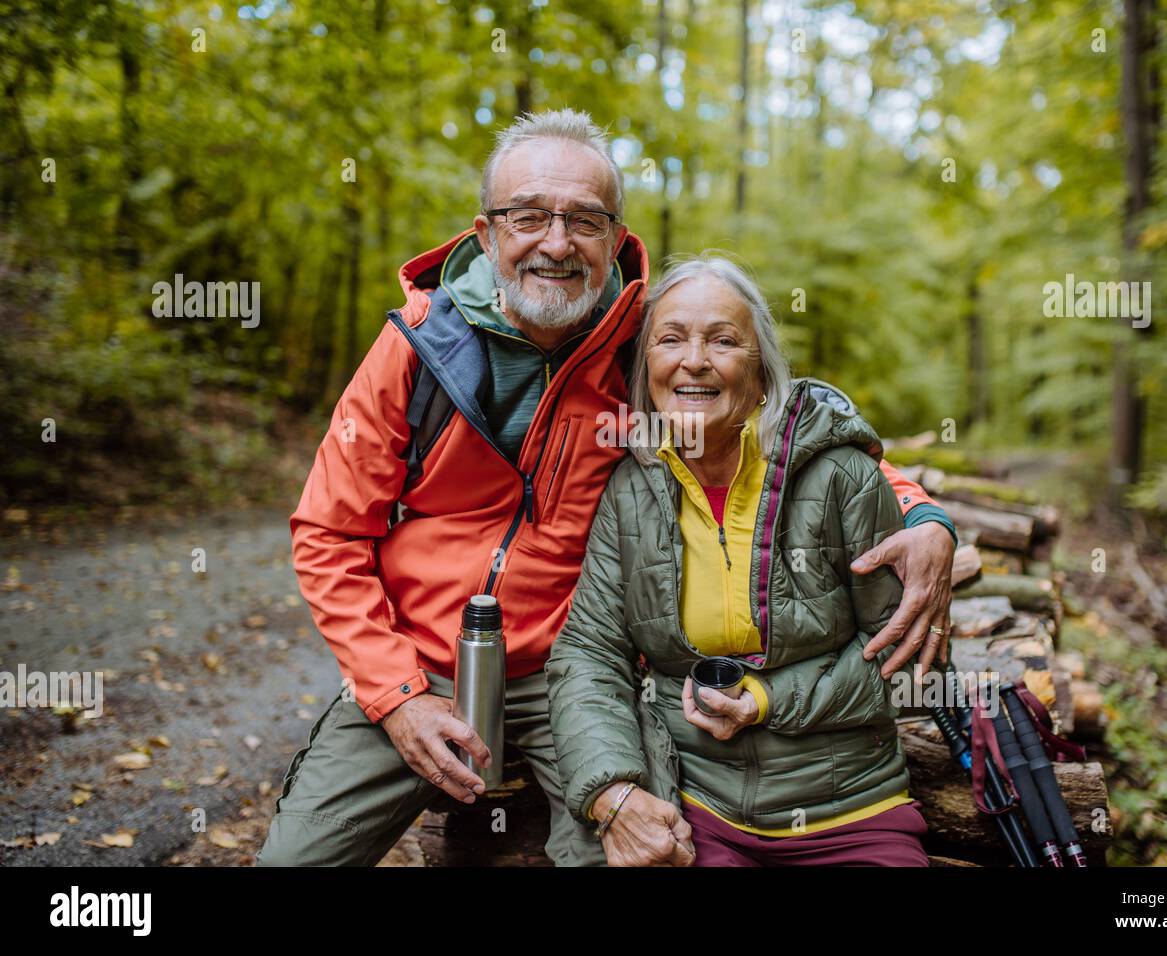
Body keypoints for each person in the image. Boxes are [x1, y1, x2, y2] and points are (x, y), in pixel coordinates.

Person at [257, 109, 955, 867]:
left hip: (577, 670)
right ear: (487, 235)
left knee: (633, 848)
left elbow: (784, 435)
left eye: (584, 221)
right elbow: (328, 531)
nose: (556, 243)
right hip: (416, 662)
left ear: (614, 239)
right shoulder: (416, 347)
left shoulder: (643, 347)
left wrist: (921, 513)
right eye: (528, 217)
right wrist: (395, 696)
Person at [547, 256, 930, 866]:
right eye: (670, 339)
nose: (693, 360)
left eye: (723, 341)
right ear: (647, 367)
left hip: (851, 806)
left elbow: (907, 656)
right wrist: (612, 791)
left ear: (762, 373)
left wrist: (767, 700)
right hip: (699, 810)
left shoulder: (840, 476)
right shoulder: (631, 489)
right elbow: (587, 654)